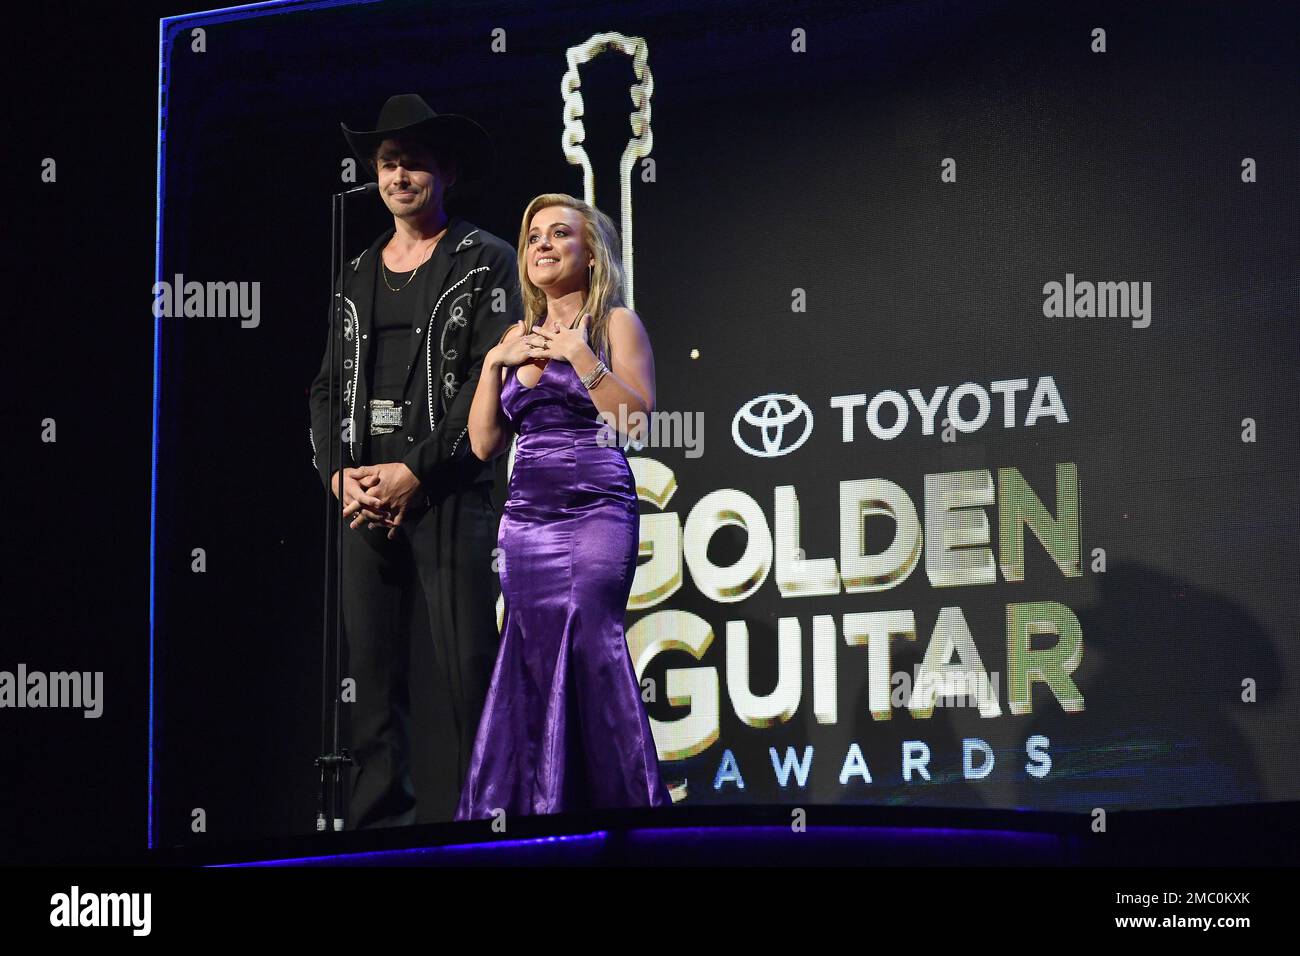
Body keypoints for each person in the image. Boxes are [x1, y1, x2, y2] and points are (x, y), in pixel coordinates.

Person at [308, 94, 521, 827]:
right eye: (388, 164)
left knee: (469, 671)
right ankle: (377, 830)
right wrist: (339, 473)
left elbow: (486, 385)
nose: (399, 177)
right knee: (369, 682)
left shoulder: (485, 259)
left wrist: (416, 471)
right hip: (364, 495)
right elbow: (327, 387)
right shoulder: (358, 270)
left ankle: (493, 819)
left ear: (446, 172)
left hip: (449, 493)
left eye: (414, 164)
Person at [454, 193, 673, 818]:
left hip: (595, 510)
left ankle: (618, 809)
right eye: (533, 238)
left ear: (592, 255)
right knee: (529, 645)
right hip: (525, 523)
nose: (542, 245)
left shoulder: (616, 326)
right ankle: (533, 811)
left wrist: (580, 356)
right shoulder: (514, 337)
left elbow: (633, 422)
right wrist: (496, 362)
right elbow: (483, 442)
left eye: (559, 234)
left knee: (587, 633)